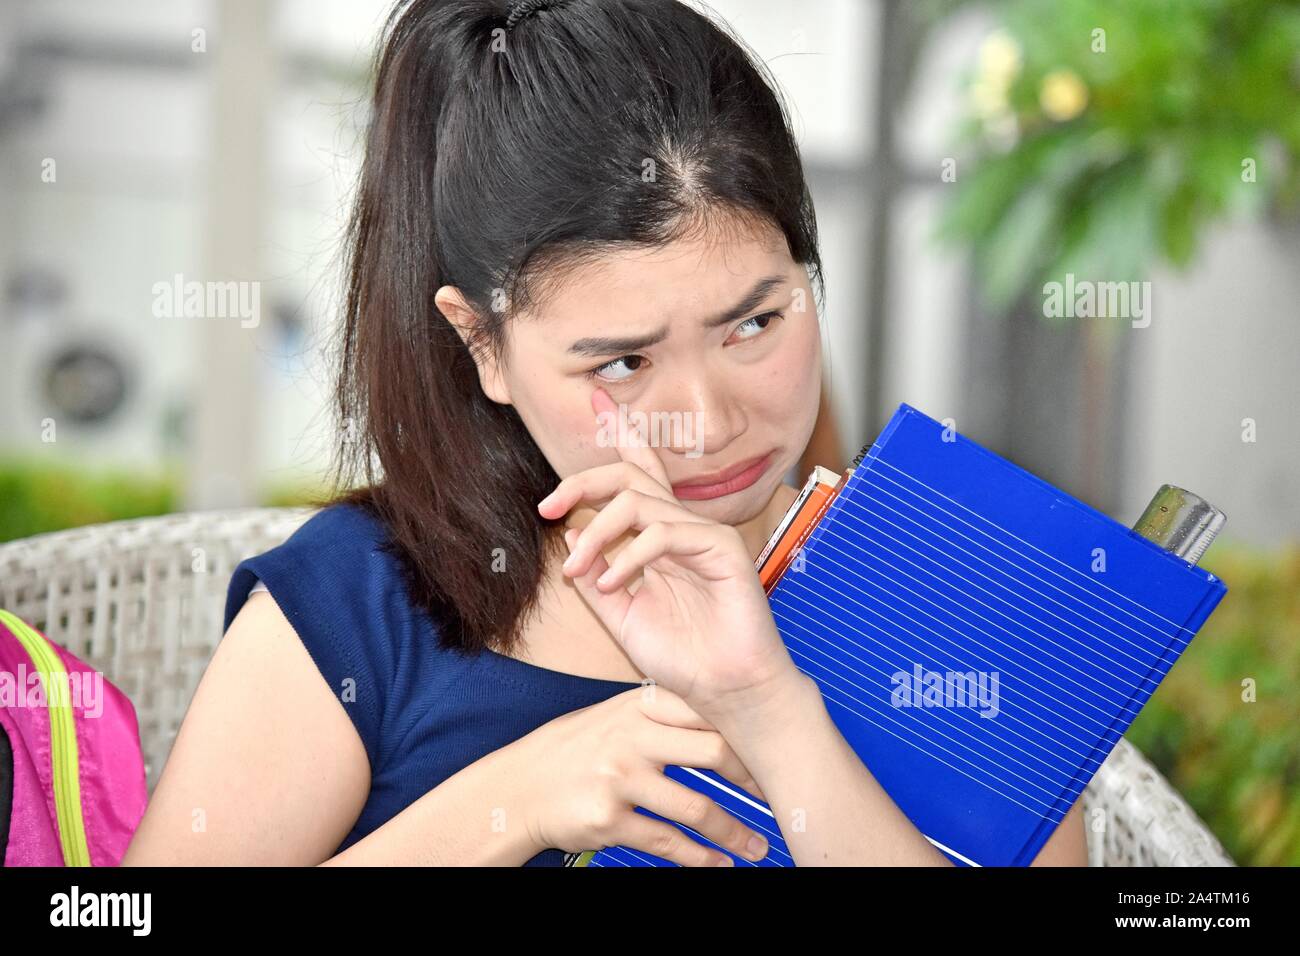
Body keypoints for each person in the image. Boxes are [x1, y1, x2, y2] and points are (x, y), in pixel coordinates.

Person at [123, 0, 1087, 867]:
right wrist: (513, 801)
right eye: (622, 363)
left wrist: (772, 711)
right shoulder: (369, 605)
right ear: (482, 343)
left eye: (755, 323)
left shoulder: (967, 605)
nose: (708, 424)